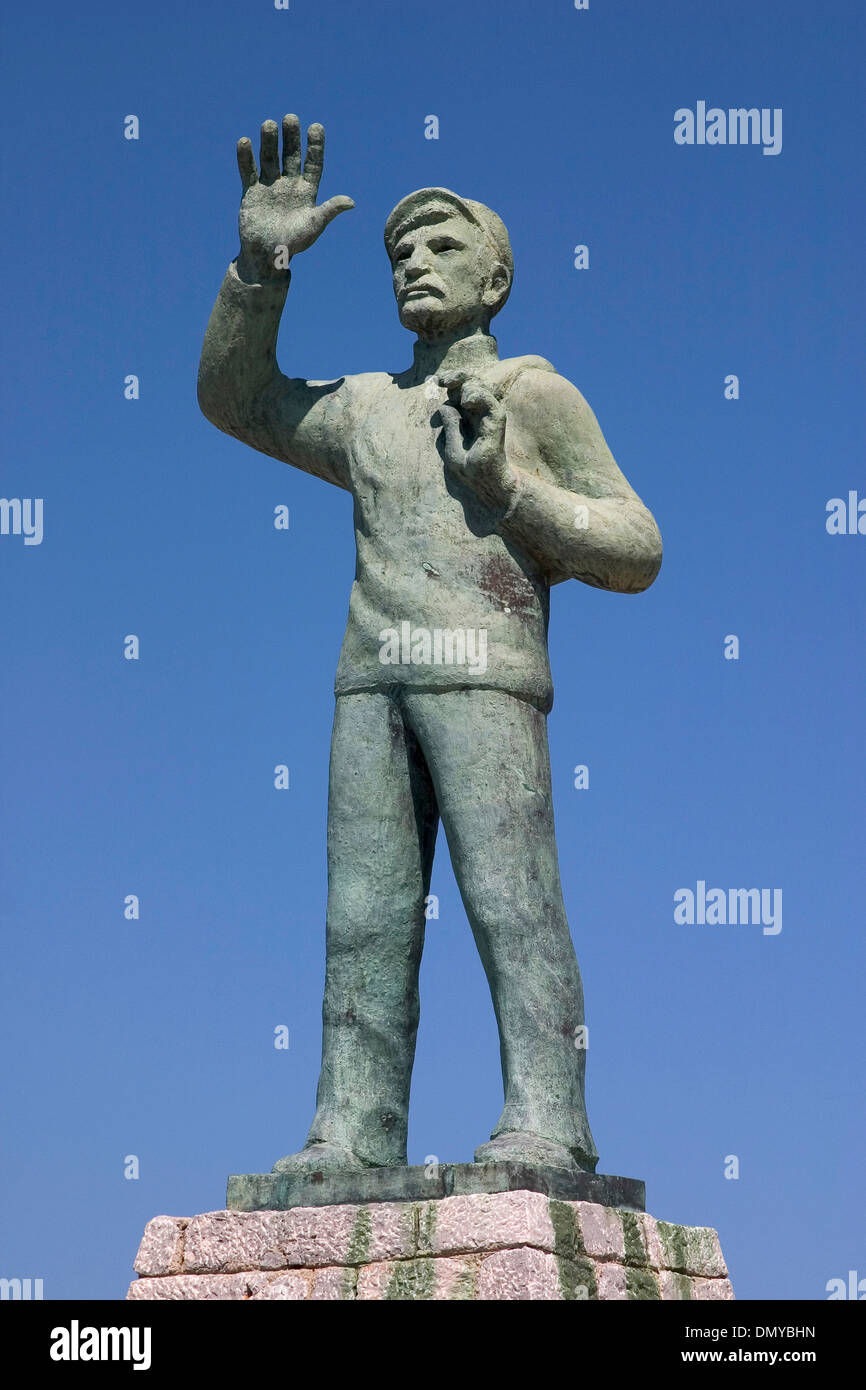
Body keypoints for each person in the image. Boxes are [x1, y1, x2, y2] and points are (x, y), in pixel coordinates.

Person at [198, 115, 662, 1176]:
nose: (412, 258)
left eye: (441, 246)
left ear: (495, 281)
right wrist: (260, 266)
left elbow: (635, 547)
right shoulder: (367, 405)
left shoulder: (530, 392)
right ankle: (351, 1131)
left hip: (485, 676)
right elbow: (235, 399)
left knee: (511, 906)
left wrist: (510, 489)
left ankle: (549, 1120)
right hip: (370, 680)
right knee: (361, 920)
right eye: (399, 249)